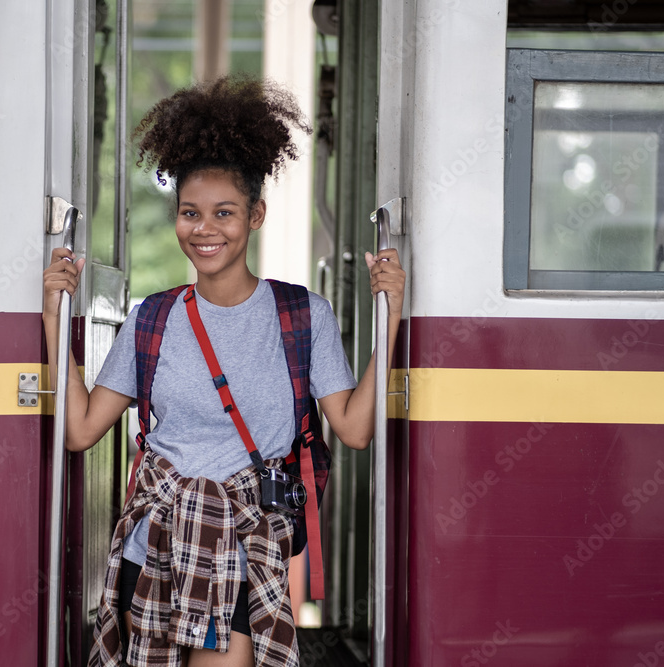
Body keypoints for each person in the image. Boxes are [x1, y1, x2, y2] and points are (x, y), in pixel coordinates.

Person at [43, 75, 405, 667]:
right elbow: (80, 430)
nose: (204, 229)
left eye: (224, 213)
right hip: (154, 548)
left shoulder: (302, 315)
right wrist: (53, 317)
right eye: (190, 213)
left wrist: (388, 317)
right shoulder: (152, 319)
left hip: (245, 550)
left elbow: (355, 429)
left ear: (255, 215)